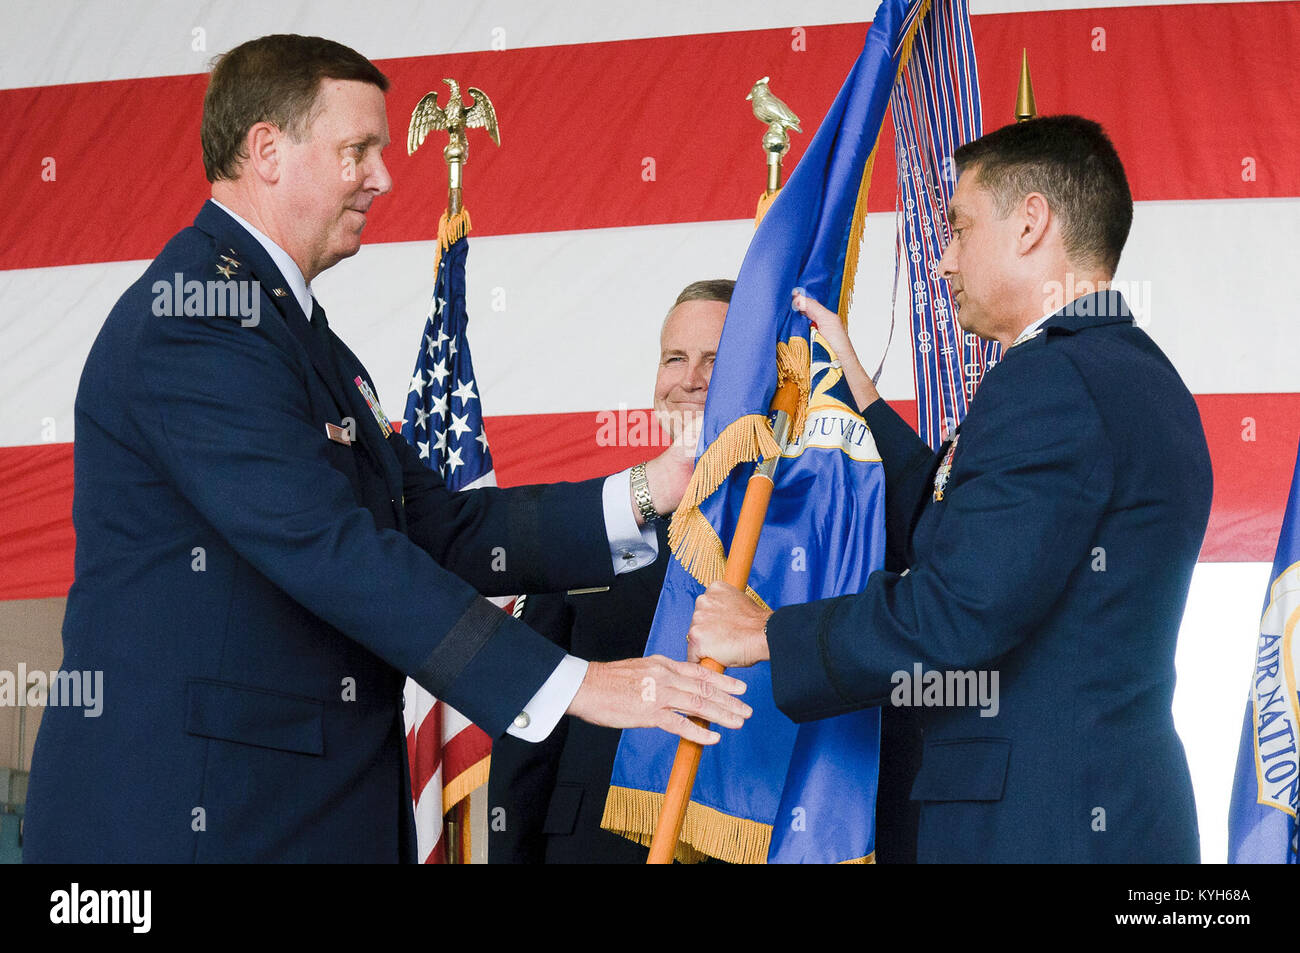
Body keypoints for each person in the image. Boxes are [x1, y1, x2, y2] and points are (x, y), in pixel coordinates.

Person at [22, 34, 749, 863]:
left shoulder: (299, 336)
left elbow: (432, 524)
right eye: (357, 149)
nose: (384, 173)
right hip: (201, 817)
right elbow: (334, 550)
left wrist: (651, 489)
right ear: (268, 151)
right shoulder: (198, 317)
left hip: (305, 813)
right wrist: (578, 681)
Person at [686, 115, 1212, 862]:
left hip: (1037, 830)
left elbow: (957, 612)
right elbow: (968, 532)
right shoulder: (1126, 374)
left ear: (1031, 223)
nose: (943, 261)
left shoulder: (1053, 381)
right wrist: (862, 399)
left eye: (959, 227)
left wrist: (767, 633)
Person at [488, 279, 731, 864]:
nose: (690, 379)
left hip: (740, 839)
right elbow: (530, 709)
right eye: (675, 358)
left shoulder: (804, 528)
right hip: (588, 842)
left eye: (715, 361)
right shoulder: (596, 516)